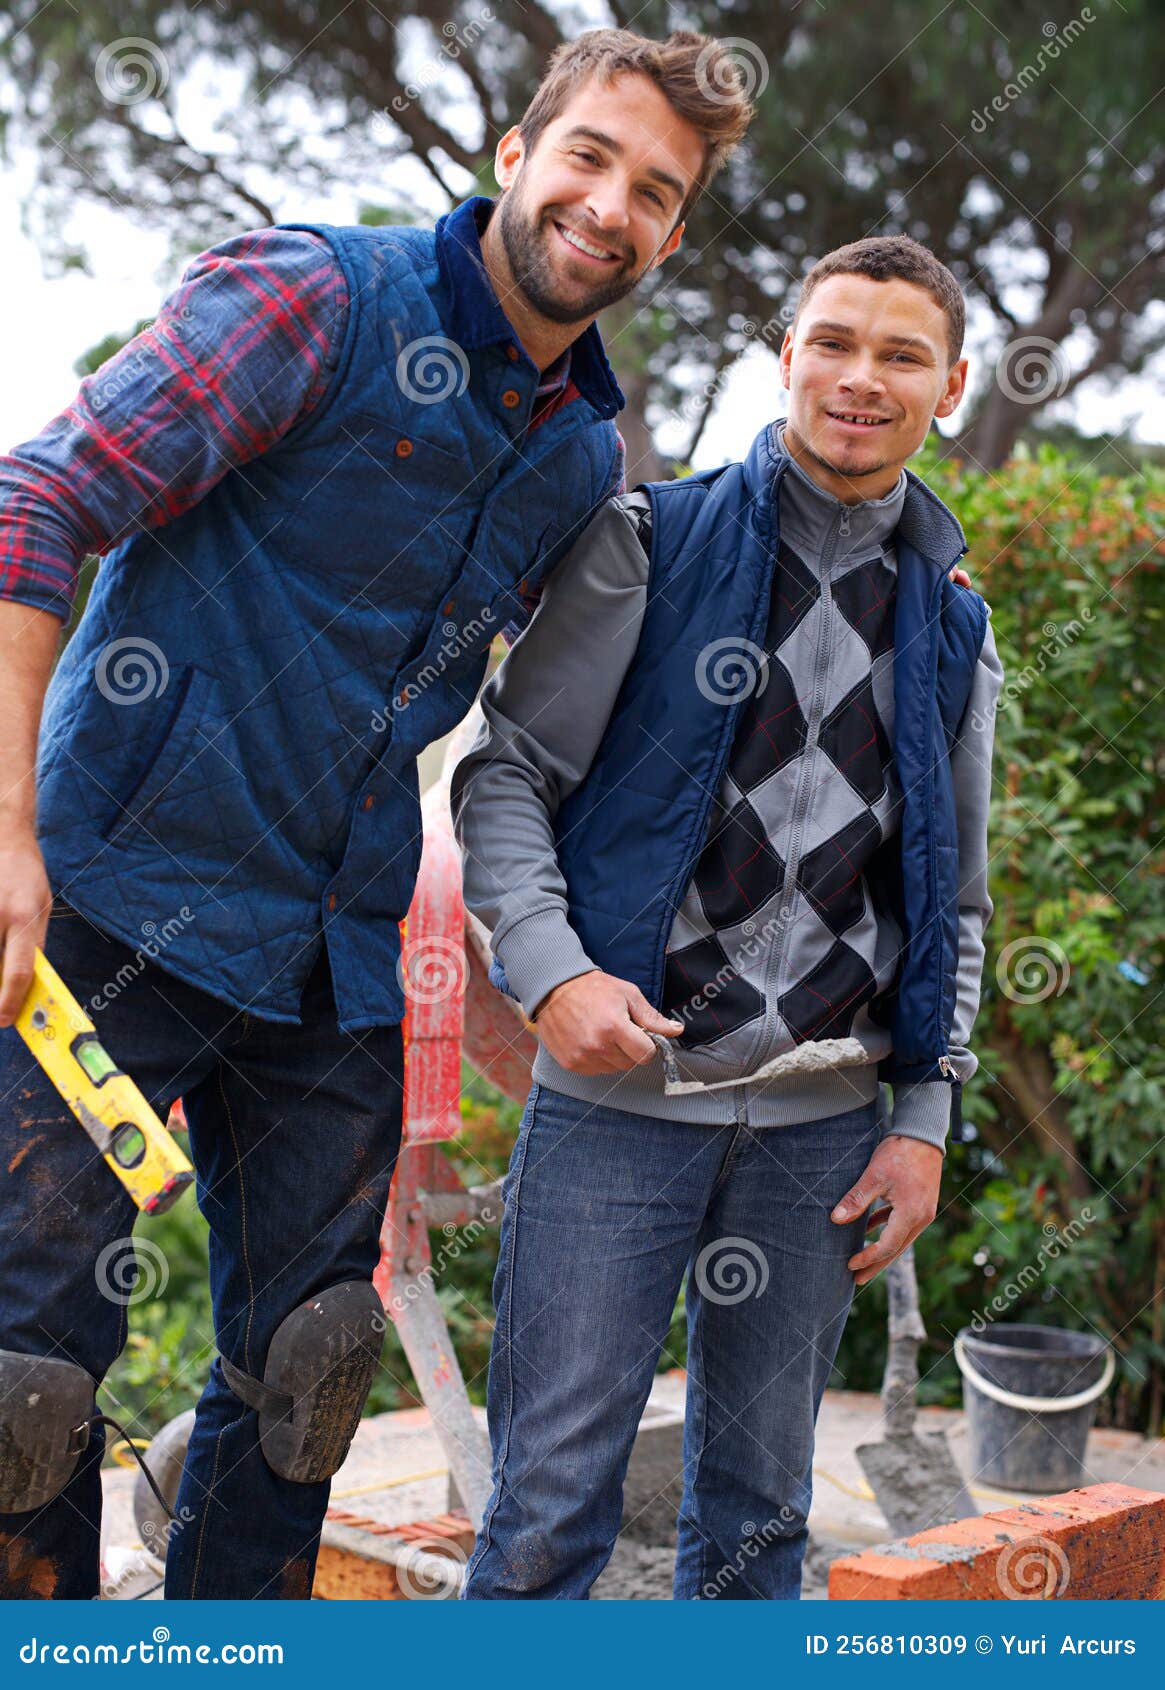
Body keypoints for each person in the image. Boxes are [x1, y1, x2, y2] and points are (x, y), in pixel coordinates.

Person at [0, 28, 754, 1600]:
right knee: (28, 1381)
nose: (609, 207)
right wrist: (3, 832)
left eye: (655, 192)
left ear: (674, 234)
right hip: (106, 909)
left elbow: (577, 714)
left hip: (331, 957)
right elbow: (36, 502)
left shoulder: (575, 453)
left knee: (313, 1367)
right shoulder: (315, 299)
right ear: (513, 153)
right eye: (589, 158)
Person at [451, 234, 1004, 1599]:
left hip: (819, 1137)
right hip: (614, 1113)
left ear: (950, 388)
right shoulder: (650, 540)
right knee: (543, 1517)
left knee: (759, 1526)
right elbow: (505, 771)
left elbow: (957, 897)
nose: (858, 378)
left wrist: (923, 1118)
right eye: (832, 340)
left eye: (899, 355)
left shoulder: (951, 623)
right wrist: (549, 973)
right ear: (785, 355)